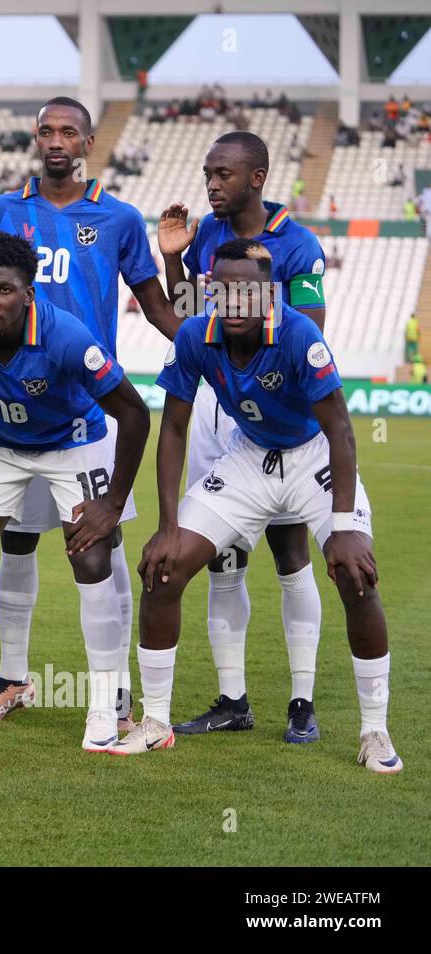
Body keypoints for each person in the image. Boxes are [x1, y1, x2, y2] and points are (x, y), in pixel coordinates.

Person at [127, 239, 401, 774]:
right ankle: (155, 722)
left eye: (244, 291)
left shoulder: (299, 333)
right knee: (162, 568)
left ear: (268, 294)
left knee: (355, 574)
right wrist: (166, 525)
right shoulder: (194, 335)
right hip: (248, 457)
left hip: (310, 456)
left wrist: (343, 525)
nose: (231, 302)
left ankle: (376, 731)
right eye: (220, 290)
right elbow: (174, 428)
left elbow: (341, 431)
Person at [0, 96, 177, 730]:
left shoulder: (121, 220)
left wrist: (205, 345)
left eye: (68, 132)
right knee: (14, 541)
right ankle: (13, 677)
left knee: (100, 540)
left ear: (87, 143)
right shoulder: (3, 210)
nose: (56, 140)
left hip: (85, 410)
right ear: (35, 138)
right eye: (46, 130)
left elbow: (156, 306)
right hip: (11, 410)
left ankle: (117, 688)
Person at [0, 232, 151, 748]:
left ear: (28, 293)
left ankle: (105, 708)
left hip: (74, 442)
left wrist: (111, 504)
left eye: (3, 290)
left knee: (90, 557)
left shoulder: (66, 336)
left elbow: (133, 412)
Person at [157, 130, 328, 742]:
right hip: (215, 404)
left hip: (277, 412)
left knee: (289, 555)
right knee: (224, 561)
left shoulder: (298, 244)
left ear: (256, 177)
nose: (211, 184)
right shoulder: (206, 234)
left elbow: (312, 334)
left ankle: (302, 703)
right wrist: (175, 258)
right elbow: (186, 324)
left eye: (223, 174)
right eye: (208, 173)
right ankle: (233, 700)